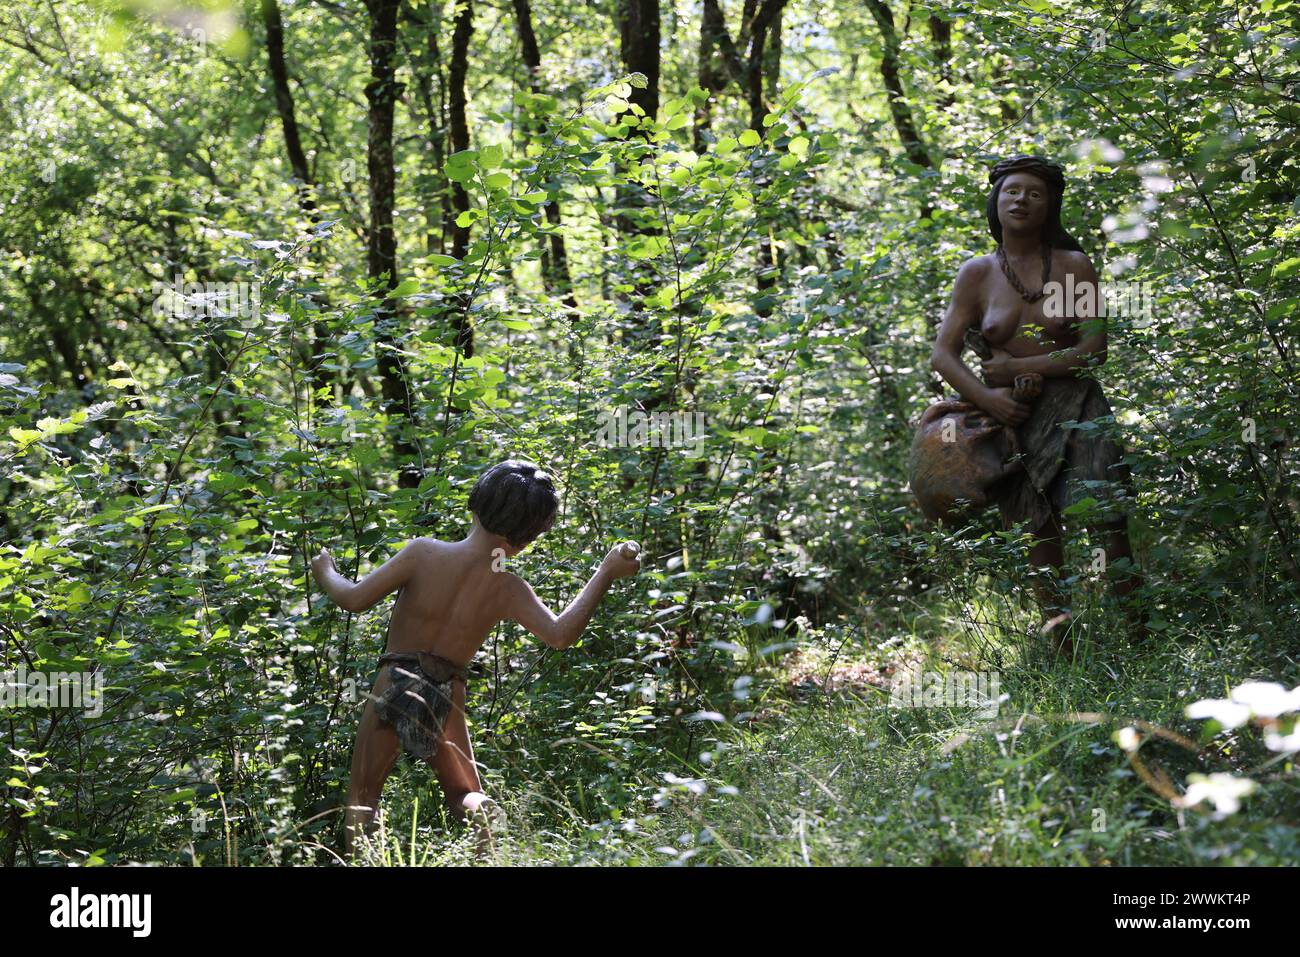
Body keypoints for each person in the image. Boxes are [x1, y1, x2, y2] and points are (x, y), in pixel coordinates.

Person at [310, 459, 641, 856]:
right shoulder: (508, 588)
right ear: (529, 535)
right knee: (465, 792)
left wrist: (325, 569)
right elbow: (559, 634)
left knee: (364, 794)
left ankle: (367, 862)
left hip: (394, 680)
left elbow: (353, 598)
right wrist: (605, 570)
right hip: (447, 691)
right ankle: (485, 843)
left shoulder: (423, 553)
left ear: (477, 502)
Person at [929, 155, 1141, 656]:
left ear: (1050, 207)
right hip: (1012, 417)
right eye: (1011, 191)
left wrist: (1027, 367)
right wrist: (988, 398)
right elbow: (943, 353)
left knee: (1108, 516)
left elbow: (1094, 349)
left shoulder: (1072, 266)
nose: (1021, 200)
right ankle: (1063, 649)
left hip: (1079, 406)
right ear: (996, 201)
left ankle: (1138, 639)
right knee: (1036, 530)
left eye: (1034, 193)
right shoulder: (977, 274)